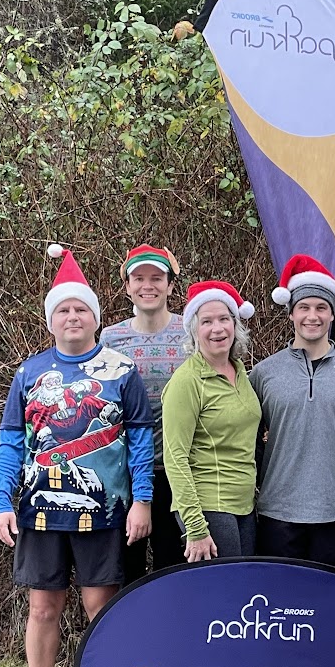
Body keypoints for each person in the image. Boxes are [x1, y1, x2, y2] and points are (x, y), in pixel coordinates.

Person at [0, 244, 155, 667]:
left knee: (101, 607)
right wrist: (1, 501)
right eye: (63, 309)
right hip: (39, 510)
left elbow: (141, 440)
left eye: (81, 308)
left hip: (105, 511)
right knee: (43, 607)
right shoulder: (29, 373)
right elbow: (12, 441)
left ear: (96, 317)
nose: (72, 317)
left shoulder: (121, 371)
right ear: (51, 320)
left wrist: (142, 500)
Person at [250, 255, 335, 571]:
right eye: (304, 307)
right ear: (291, 313)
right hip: (277, 513)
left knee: (332, 598)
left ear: (332, 313)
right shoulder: (264, 373)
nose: (312, 316)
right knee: (280, 597)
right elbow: (248, 437)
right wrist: (272, 471)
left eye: (321, 308)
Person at [101, 244, 188, 580]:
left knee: (173, 572)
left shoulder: (191, 333)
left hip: (178, 472)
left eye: (156, 278)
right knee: (127, 573)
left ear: (170, 285)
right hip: (126, 473)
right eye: (139, 278)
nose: (147, 285)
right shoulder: (111, 339)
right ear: (127, 286)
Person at [161, 280, 261, 561]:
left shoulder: (240, 372)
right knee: (224, 586)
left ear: (235, 324)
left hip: (243, 505)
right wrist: (195, 526)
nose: (217, 328)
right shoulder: (187, 381)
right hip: (208, 506)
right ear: (194, 330)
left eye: (224, 319)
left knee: (243, 585)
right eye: (207, 321)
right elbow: (175, 457)